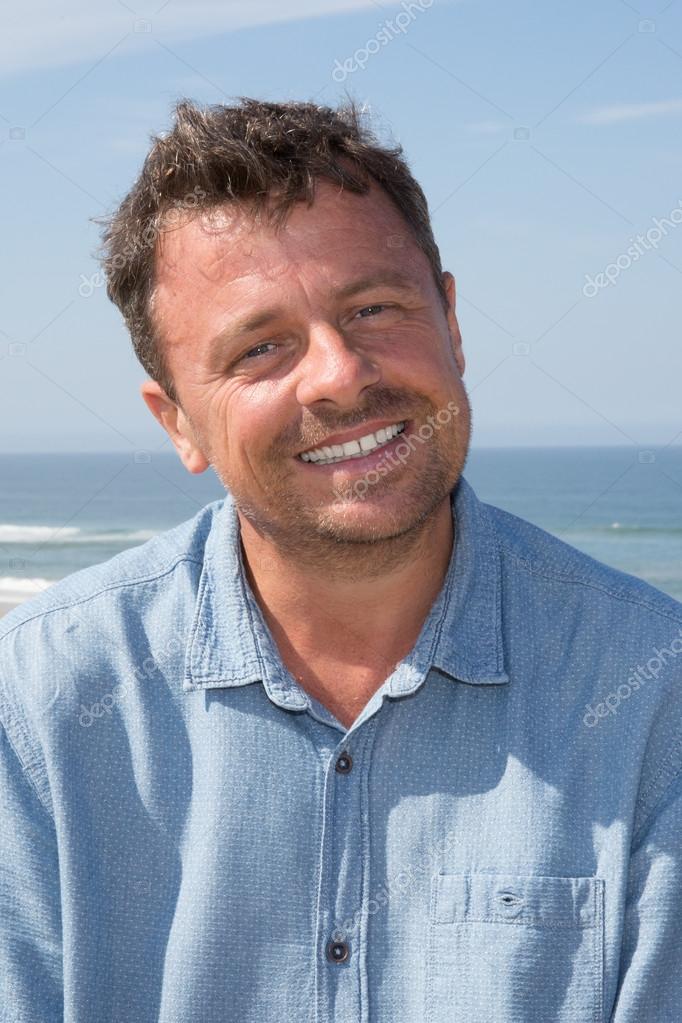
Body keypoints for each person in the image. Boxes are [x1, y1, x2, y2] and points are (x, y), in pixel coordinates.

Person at [1, 97, 681, 1023]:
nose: (339, 373)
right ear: (179, 424)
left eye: (373, 307)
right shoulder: (39, 701)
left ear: (451, 320)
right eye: (261, 346)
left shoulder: (653, 692)